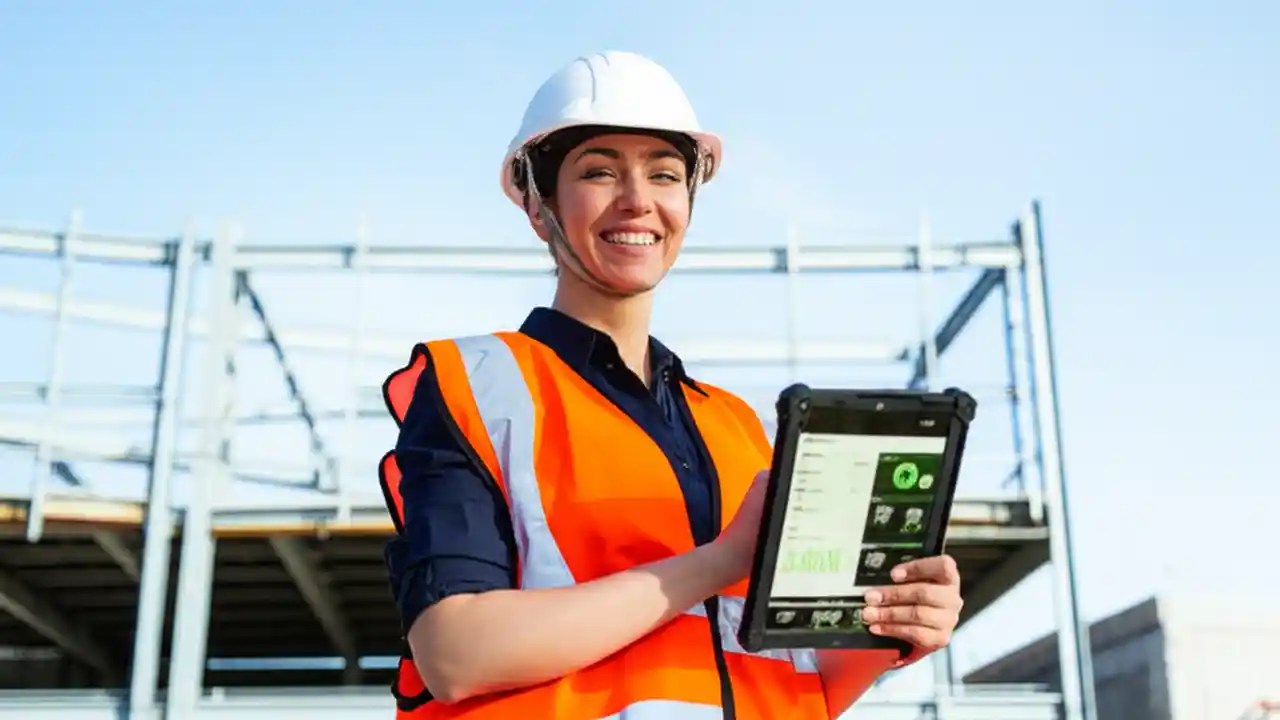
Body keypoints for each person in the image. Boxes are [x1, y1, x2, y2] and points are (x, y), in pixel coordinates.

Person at [379, 50, 964, 720]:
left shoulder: (738, 425)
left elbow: (799, 685)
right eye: (599, 172)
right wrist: (720, 559)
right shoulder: (478, 387)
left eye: (664, 174)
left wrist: (892, 631)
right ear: (539, 208)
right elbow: (455, 654)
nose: (638, 200)